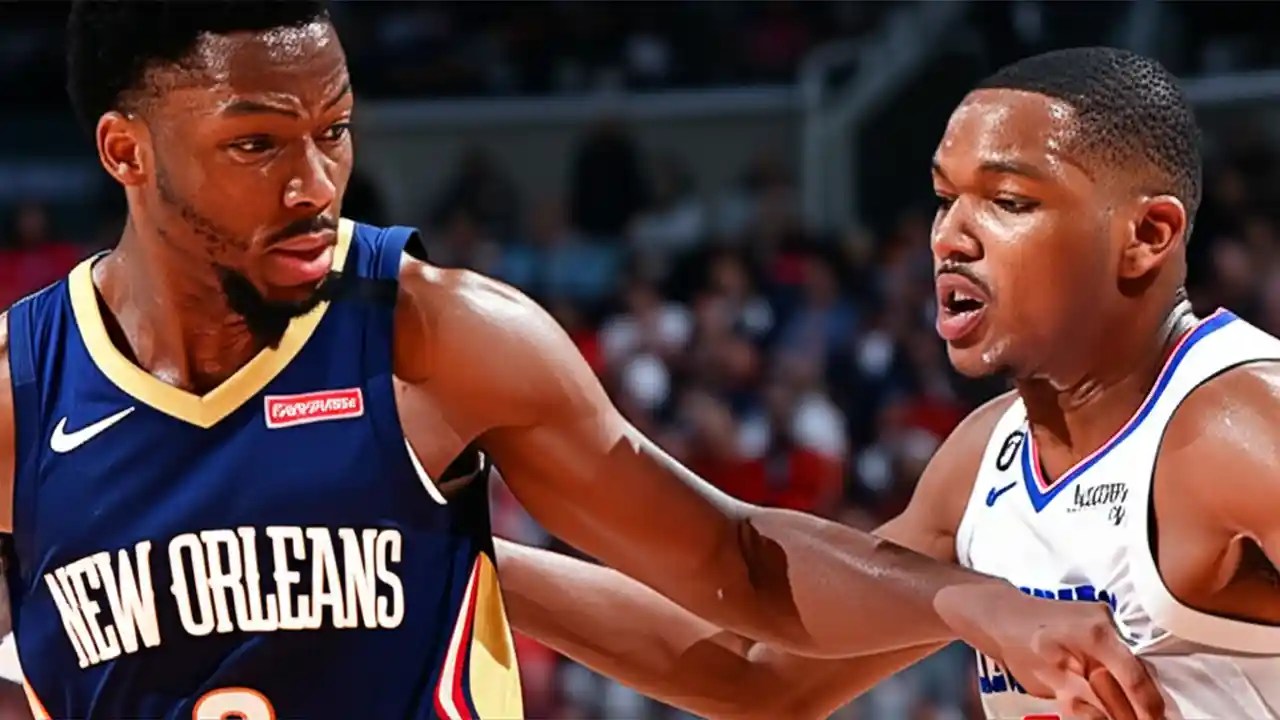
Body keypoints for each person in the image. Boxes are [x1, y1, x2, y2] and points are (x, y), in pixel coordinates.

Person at [0, 5, 1160, 719]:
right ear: (125, 152)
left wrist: (969, 602)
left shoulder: (442, 338)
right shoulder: (22, 391)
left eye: (334, 130)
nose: (314, 183)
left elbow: (735, 572)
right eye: (255, 143)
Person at [476, 47, 1280, 720]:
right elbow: (754, 673)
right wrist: (461, 562)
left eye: (1007, 200)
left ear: (1147, 234)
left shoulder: (1240, 428)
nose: (950, 236)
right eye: (944, 198)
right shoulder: (982, 460)